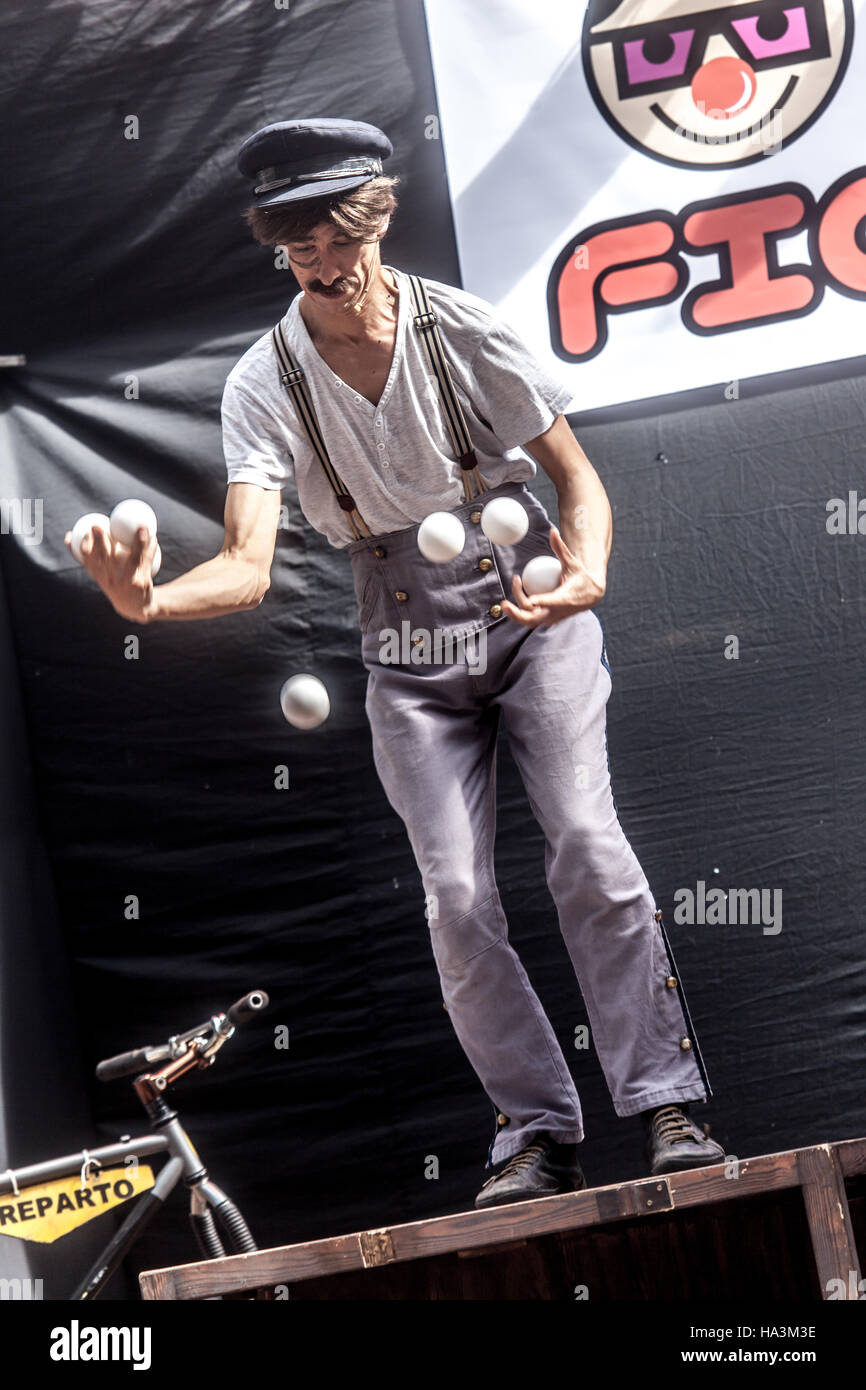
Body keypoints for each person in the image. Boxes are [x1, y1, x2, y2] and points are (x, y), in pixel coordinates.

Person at [65, 117, 725, 1209]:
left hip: (526, 600)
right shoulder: (261, 383)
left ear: (374, 220)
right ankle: (533, 1128)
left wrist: (589, 571)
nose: (321, 267)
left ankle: (663, 1100)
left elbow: (578, 485)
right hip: (404, 638)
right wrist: (145, 600)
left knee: (586, 846)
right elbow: (243, 564)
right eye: (296, 248)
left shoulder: (460, 330)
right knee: (454, 898)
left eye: (335, 240)